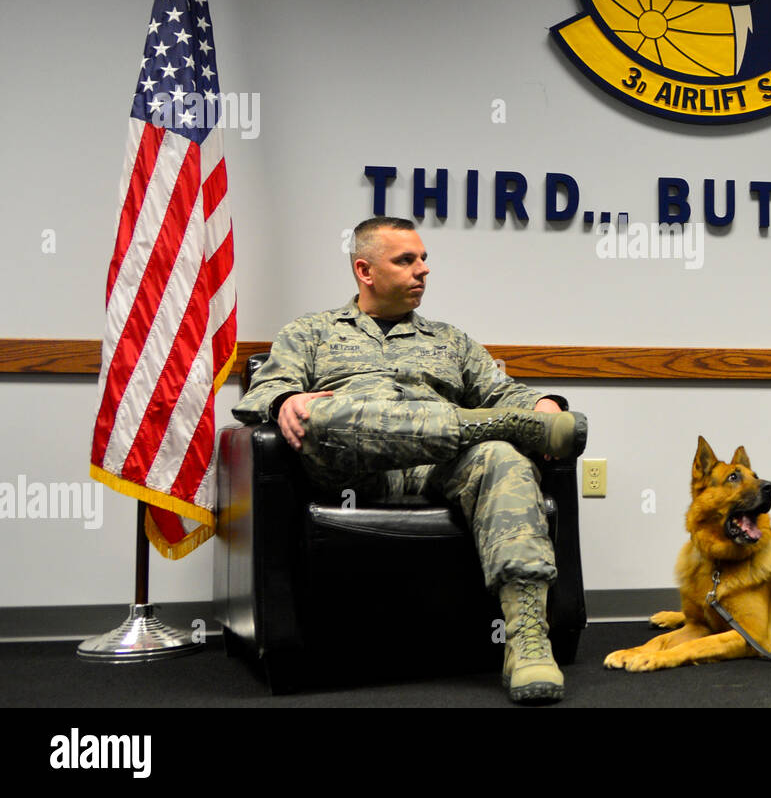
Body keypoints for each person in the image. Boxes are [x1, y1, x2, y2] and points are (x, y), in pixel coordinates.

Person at [232, 216, 587, 704]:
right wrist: (285, 401)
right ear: (365, 270)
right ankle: (481, 424)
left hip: (437, 469)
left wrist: (543, 406)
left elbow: (502, 390)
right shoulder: (310, 332)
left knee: (501, 456)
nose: (422, 270)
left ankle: (527, 640)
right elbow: (264, 390)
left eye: (424, 260)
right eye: (406, 260)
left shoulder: (450, 340)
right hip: (352, 469)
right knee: (320, 415)